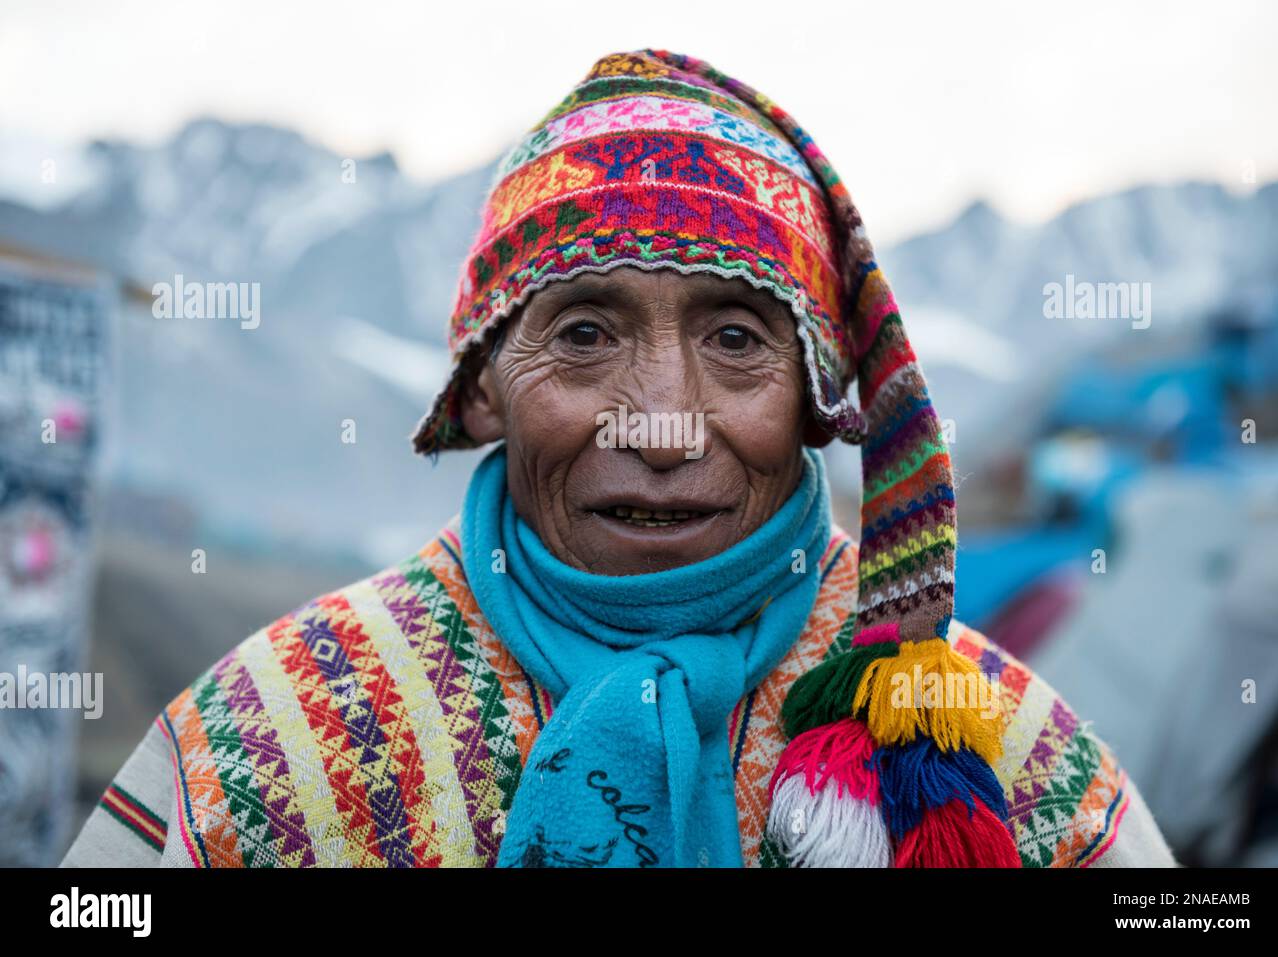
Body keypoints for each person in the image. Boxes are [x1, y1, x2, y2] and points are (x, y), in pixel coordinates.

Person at [61, 49, 1175, 868]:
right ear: (484, 386)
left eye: (736, 341)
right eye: (584, 335)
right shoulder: (276, 734)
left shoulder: (991, 758)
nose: (661, 423)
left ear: (815, 396)